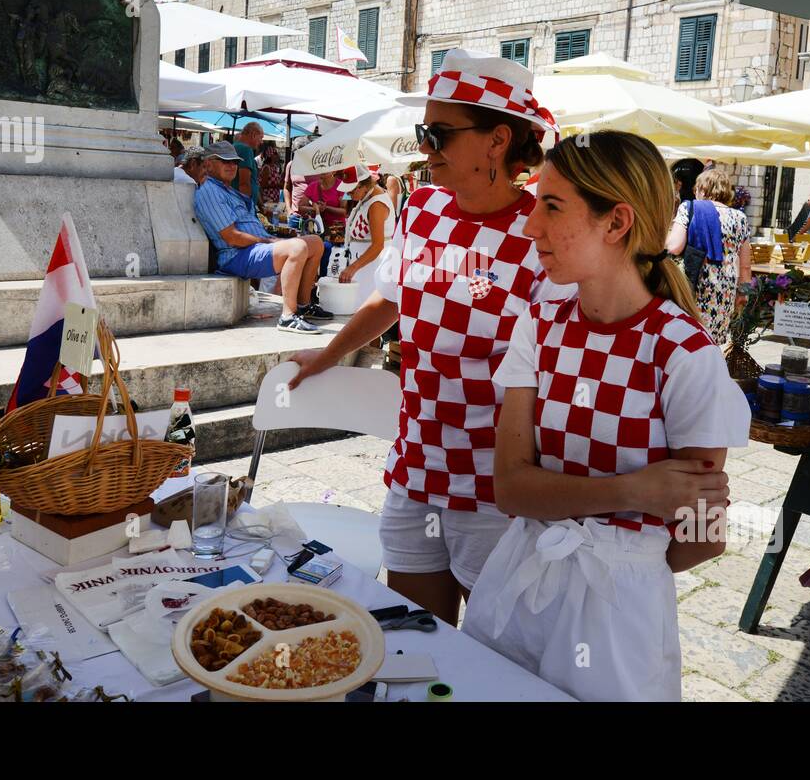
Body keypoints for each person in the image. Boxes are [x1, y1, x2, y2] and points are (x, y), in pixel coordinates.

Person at [286, 48, 574, 624]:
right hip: (418, 460)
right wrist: (330, 352)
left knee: (499, 647)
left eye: (438, 133)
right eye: (424, 131)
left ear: (497, 141)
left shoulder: (542, 232)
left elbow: (559, 369)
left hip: (496, 481)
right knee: (420, 635)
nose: (424, 147)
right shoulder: (421, 208)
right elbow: (390, 297)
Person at [461, 130, 747, 701]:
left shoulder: (683, 354)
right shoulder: (537, 324)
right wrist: (635, 493)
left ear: (615, 223)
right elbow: (512, 488)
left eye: (551, 205)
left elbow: (703, 535)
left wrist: (624, 557)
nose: (529, 226)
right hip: (527, 578)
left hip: (619, 613)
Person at [193, 141, 332, 334]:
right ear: (207, 164)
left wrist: (268, 238)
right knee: (297, 248)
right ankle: (288, 317)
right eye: (225, 161)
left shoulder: (226, 190)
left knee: (317, 243)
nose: (232, 165)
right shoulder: (209, 191)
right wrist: (267, 240)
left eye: (234, 161)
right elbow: (231, 237)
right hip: (235, 255)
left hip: (252, 249)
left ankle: (303, 305)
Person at [666, 168, 753, 346]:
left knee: (685, 339)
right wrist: (743, 292)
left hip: (694, 284)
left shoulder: (689, 208)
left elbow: (674, 247)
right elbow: (745, 265)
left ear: (701, 189)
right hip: (724, 291)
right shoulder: (740, 218)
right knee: (710, 343)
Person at [334, 165, 396, 297]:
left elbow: (378, 245)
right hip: (364, 265)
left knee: (363, 305)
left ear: (363, 186)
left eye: (351, 191)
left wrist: (353, 267)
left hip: (371, 267)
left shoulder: (377, 205)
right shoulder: (367, 197)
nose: (349, 195)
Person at [233, 122, 264, 202]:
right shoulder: (246, 149)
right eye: (261, 138)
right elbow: (244, 183)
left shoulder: (235, 146)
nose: (261, 142)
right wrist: (248, 207)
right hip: (241, 203)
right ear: (253, 134)